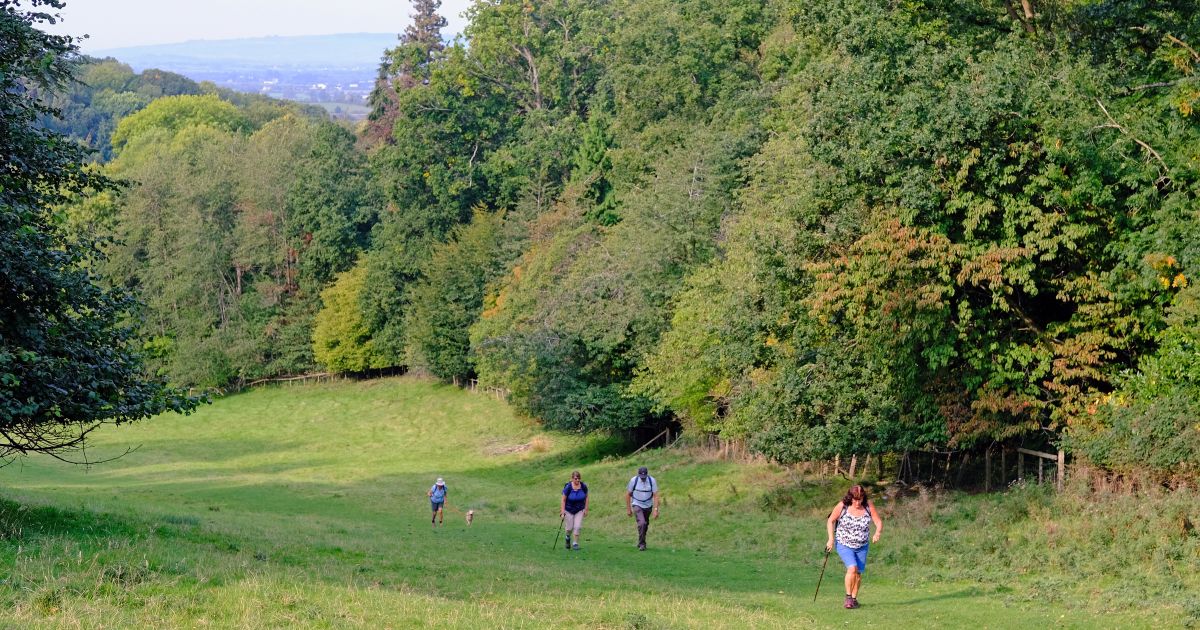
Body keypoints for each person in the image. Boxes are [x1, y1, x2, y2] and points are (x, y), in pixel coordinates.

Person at [825, 484, 883, 609]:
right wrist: (831, 539)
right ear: (850, 497)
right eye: (855, 499)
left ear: (863, 498)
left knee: (858, 573)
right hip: (844, 544)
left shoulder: (868, 506)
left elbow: (878, 521)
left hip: (862, 546)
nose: (857, 502)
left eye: (860, 499)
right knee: (852, 568)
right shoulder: (842, 506)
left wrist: (877, 532)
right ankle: (848, 598)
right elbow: (830, 520)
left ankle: (854, 598)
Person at [625, 466, 659, 550]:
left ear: (647, 474)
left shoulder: (652, 481)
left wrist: (655, 510)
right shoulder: (633, 480)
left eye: (644, 477)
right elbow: (628, 494)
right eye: (641, 477)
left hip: (648, 505)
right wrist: (629, 509)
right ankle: (642, 544)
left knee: (645, 524)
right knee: (642, 523)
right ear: (638, 474)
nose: (643, 479)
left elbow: (656, 495)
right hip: (637, 504)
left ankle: (641, 541)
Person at [560, 470, 589, 550]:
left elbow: (586, 497)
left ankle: (575, 543)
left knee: (577, 526)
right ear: (572, 479)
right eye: (576, 478)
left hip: (579, 509)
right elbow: (563, 500)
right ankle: (567, 537)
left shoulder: (583, 486)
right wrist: (562, 512)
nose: (577, 480)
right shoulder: (568, 487)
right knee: (569, 528)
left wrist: (586, 509)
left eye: (579, 478)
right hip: (568, 510)